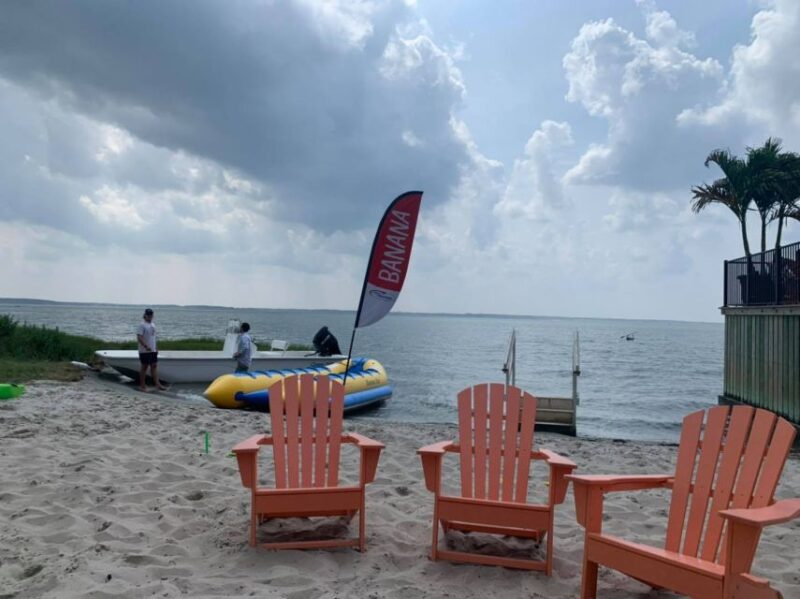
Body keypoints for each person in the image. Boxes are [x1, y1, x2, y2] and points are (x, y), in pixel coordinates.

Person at [137, 308, 167, 391]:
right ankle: (142, 385)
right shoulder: (142, 325)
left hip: (153, 350)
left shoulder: (153, 325)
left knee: (154, 366)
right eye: (148, 315)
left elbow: (153, 337)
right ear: (145, 315)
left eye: (151, 315)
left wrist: (156, 347)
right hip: (144, 350)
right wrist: (146, 346)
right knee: (144, 367)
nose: (150, 316)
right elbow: (139, 337)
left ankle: (157, 384)